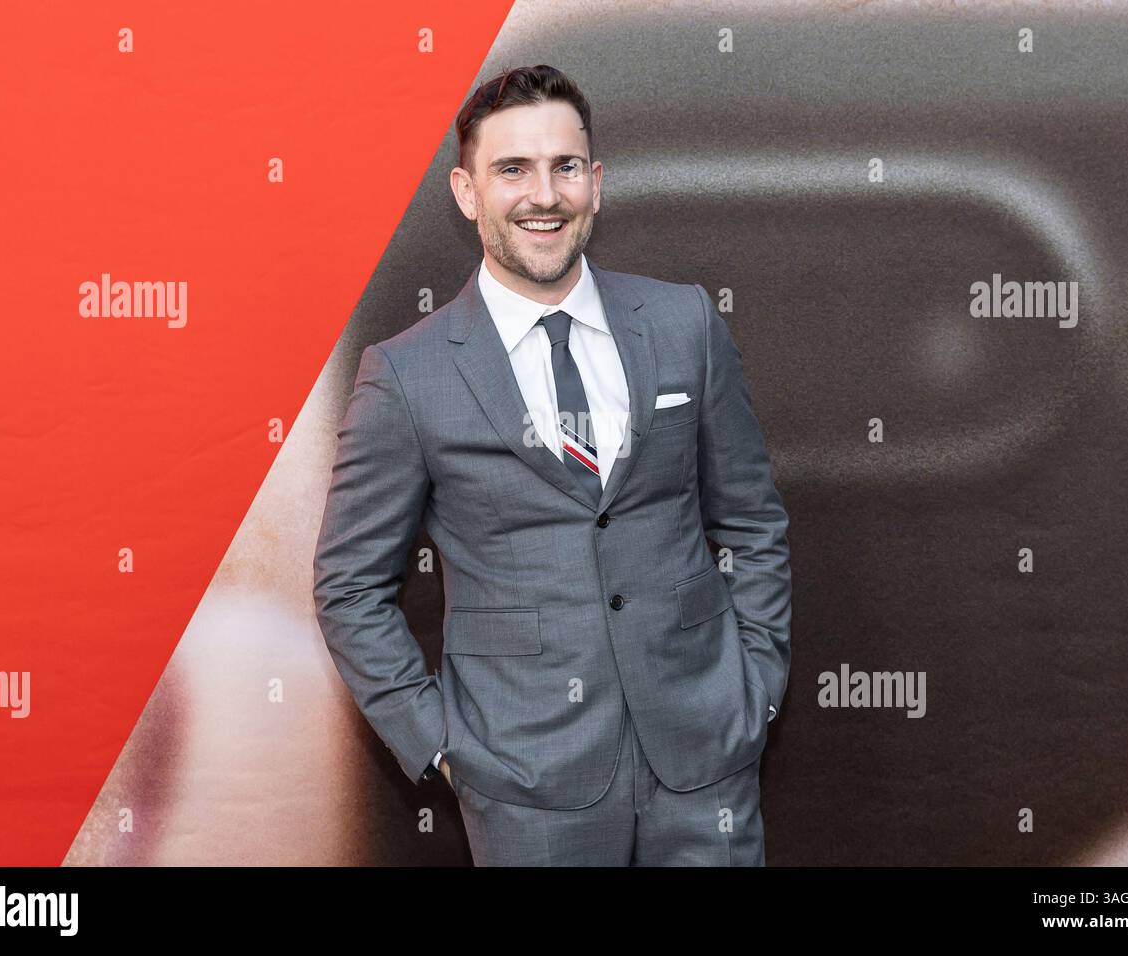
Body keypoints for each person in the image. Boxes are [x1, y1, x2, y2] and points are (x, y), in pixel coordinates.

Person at [313, 64, 791, 865]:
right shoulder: (407, 375)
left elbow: (750, 518)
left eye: (564, 166)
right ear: (467, 193)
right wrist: (441, 745)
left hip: (706, 761)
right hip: (524, 786)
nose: (544, 194)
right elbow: (349, 586)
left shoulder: (683, 323)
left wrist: (757, 685)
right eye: (513, 170)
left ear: (595, 183)